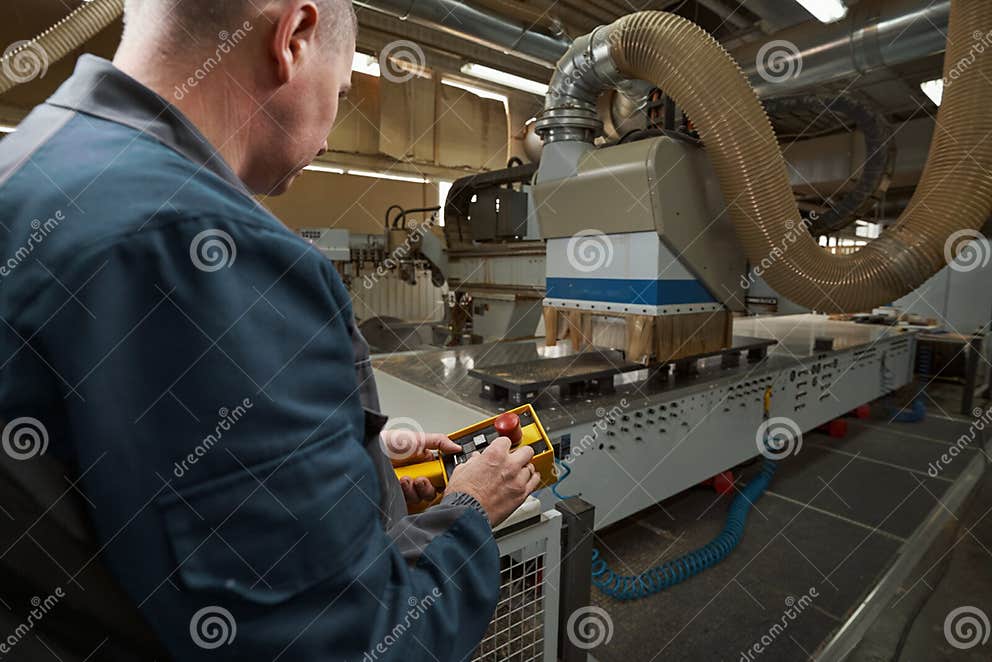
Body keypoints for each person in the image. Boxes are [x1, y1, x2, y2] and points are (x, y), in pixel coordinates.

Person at [0, 1, 541, 659]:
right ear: (293, 37)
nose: (329, 133)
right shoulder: (215, 250)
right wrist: (470, 510)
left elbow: (119, 472)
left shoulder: (24, 166)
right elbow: (351, 642)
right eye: (341, 91)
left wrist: (356, 473)